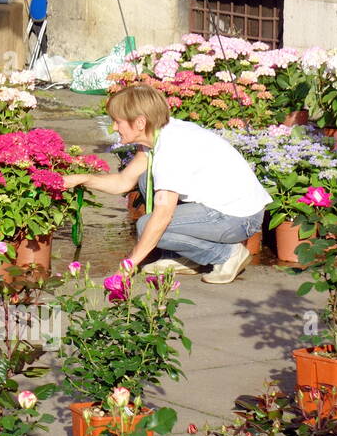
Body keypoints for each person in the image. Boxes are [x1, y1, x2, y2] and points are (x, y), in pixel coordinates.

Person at [63, 84, 271, 285]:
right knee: (146, 179)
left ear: (140, 123)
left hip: (238, 219)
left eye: (117, 121)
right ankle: (188, 256)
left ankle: (227, 255)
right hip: (222, 207)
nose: (114, 127)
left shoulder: (171, 149)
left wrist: (126, 267)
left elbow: (162, 217)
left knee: (146, 225)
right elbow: (124, 182)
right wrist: (82, 179)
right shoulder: (158, 133)